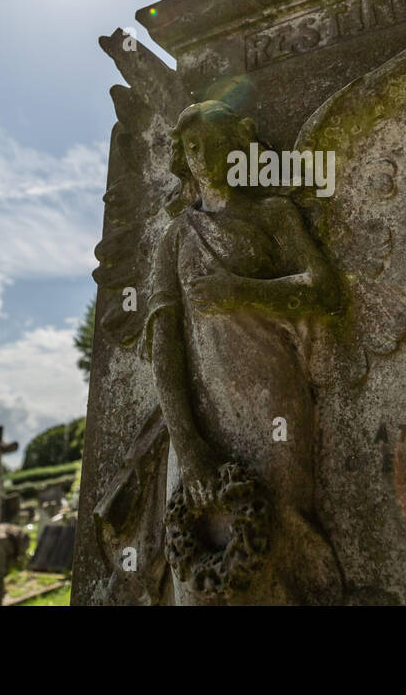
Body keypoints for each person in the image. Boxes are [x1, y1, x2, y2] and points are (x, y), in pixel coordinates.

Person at [142, 100, 343, 604]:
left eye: (215, 142)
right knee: (203, 555)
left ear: (241, 145)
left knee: (284, 524)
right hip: (200, 409)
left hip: (274, 393)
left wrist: (242, 292)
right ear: (182, 160)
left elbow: (325, 290)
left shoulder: (274, 214)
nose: (204, 155)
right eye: (192, 147)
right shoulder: (176, 238)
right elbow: (164, 348)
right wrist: (186, 446)